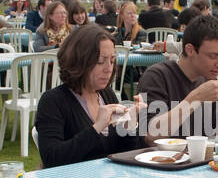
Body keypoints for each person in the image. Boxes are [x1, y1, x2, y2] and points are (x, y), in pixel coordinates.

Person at [35, 25, 144, 168]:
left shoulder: (106, 94)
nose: (109, 69)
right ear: (79, 61)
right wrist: (97, 127)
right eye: (100, 61)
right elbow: (52, 158)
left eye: (112, 60)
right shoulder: (53, 101)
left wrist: (129, 126)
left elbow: (121, 153)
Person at [141, 14, 218, 138]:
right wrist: (195, 99)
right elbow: (151, 136)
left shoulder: (209, 80)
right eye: (213, 56)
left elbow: (216, 142)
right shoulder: (157, 76)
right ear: (190, 50)